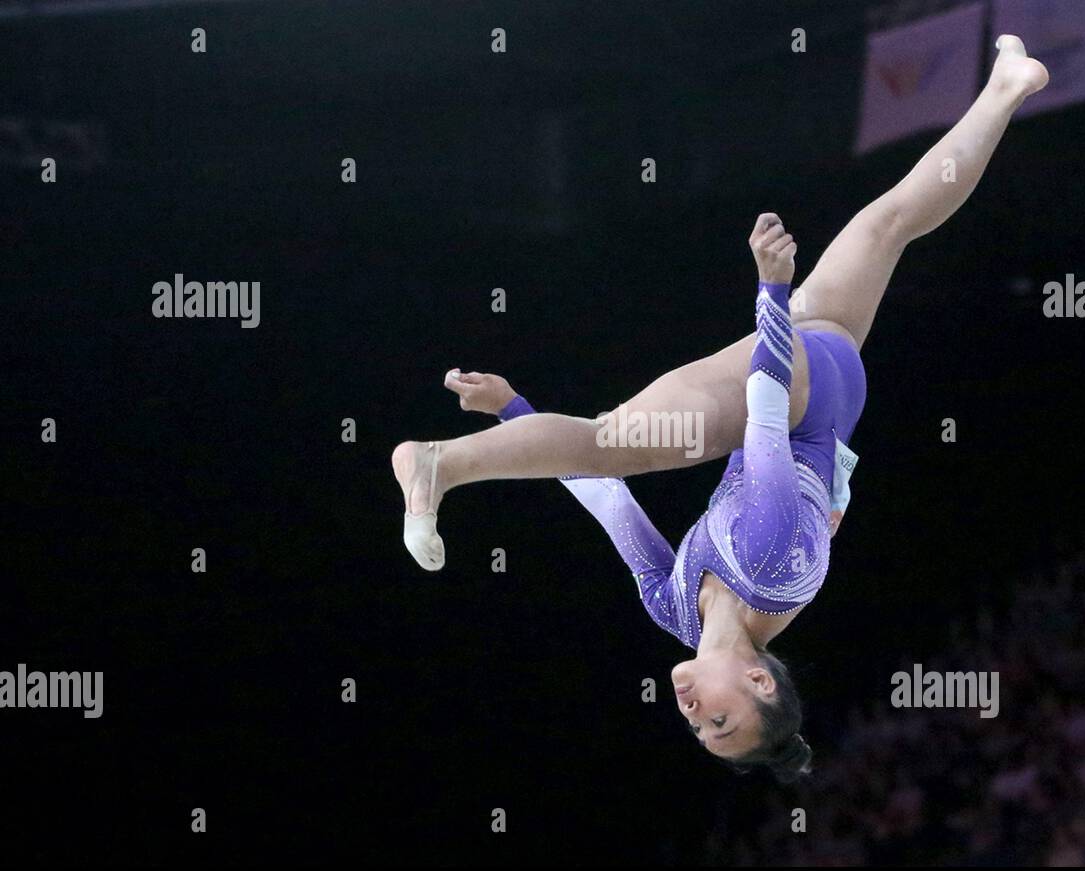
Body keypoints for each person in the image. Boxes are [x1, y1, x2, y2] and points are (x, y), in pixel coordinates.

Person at [392, 36, 1049, 780]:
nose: (695, 716)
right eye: (722, 719)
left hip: (828, 387)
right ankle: (437, 463)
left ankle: (1007, 86)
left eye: (701, 732)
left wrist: (515, 409)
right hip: (795, 398)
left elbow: (608, 501)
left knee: (889, 224)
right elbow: (763, 409)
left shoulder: (675, 612)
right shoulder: (775, 564)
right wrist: (771, 291)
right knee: (611, 439)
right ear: (762, 681)